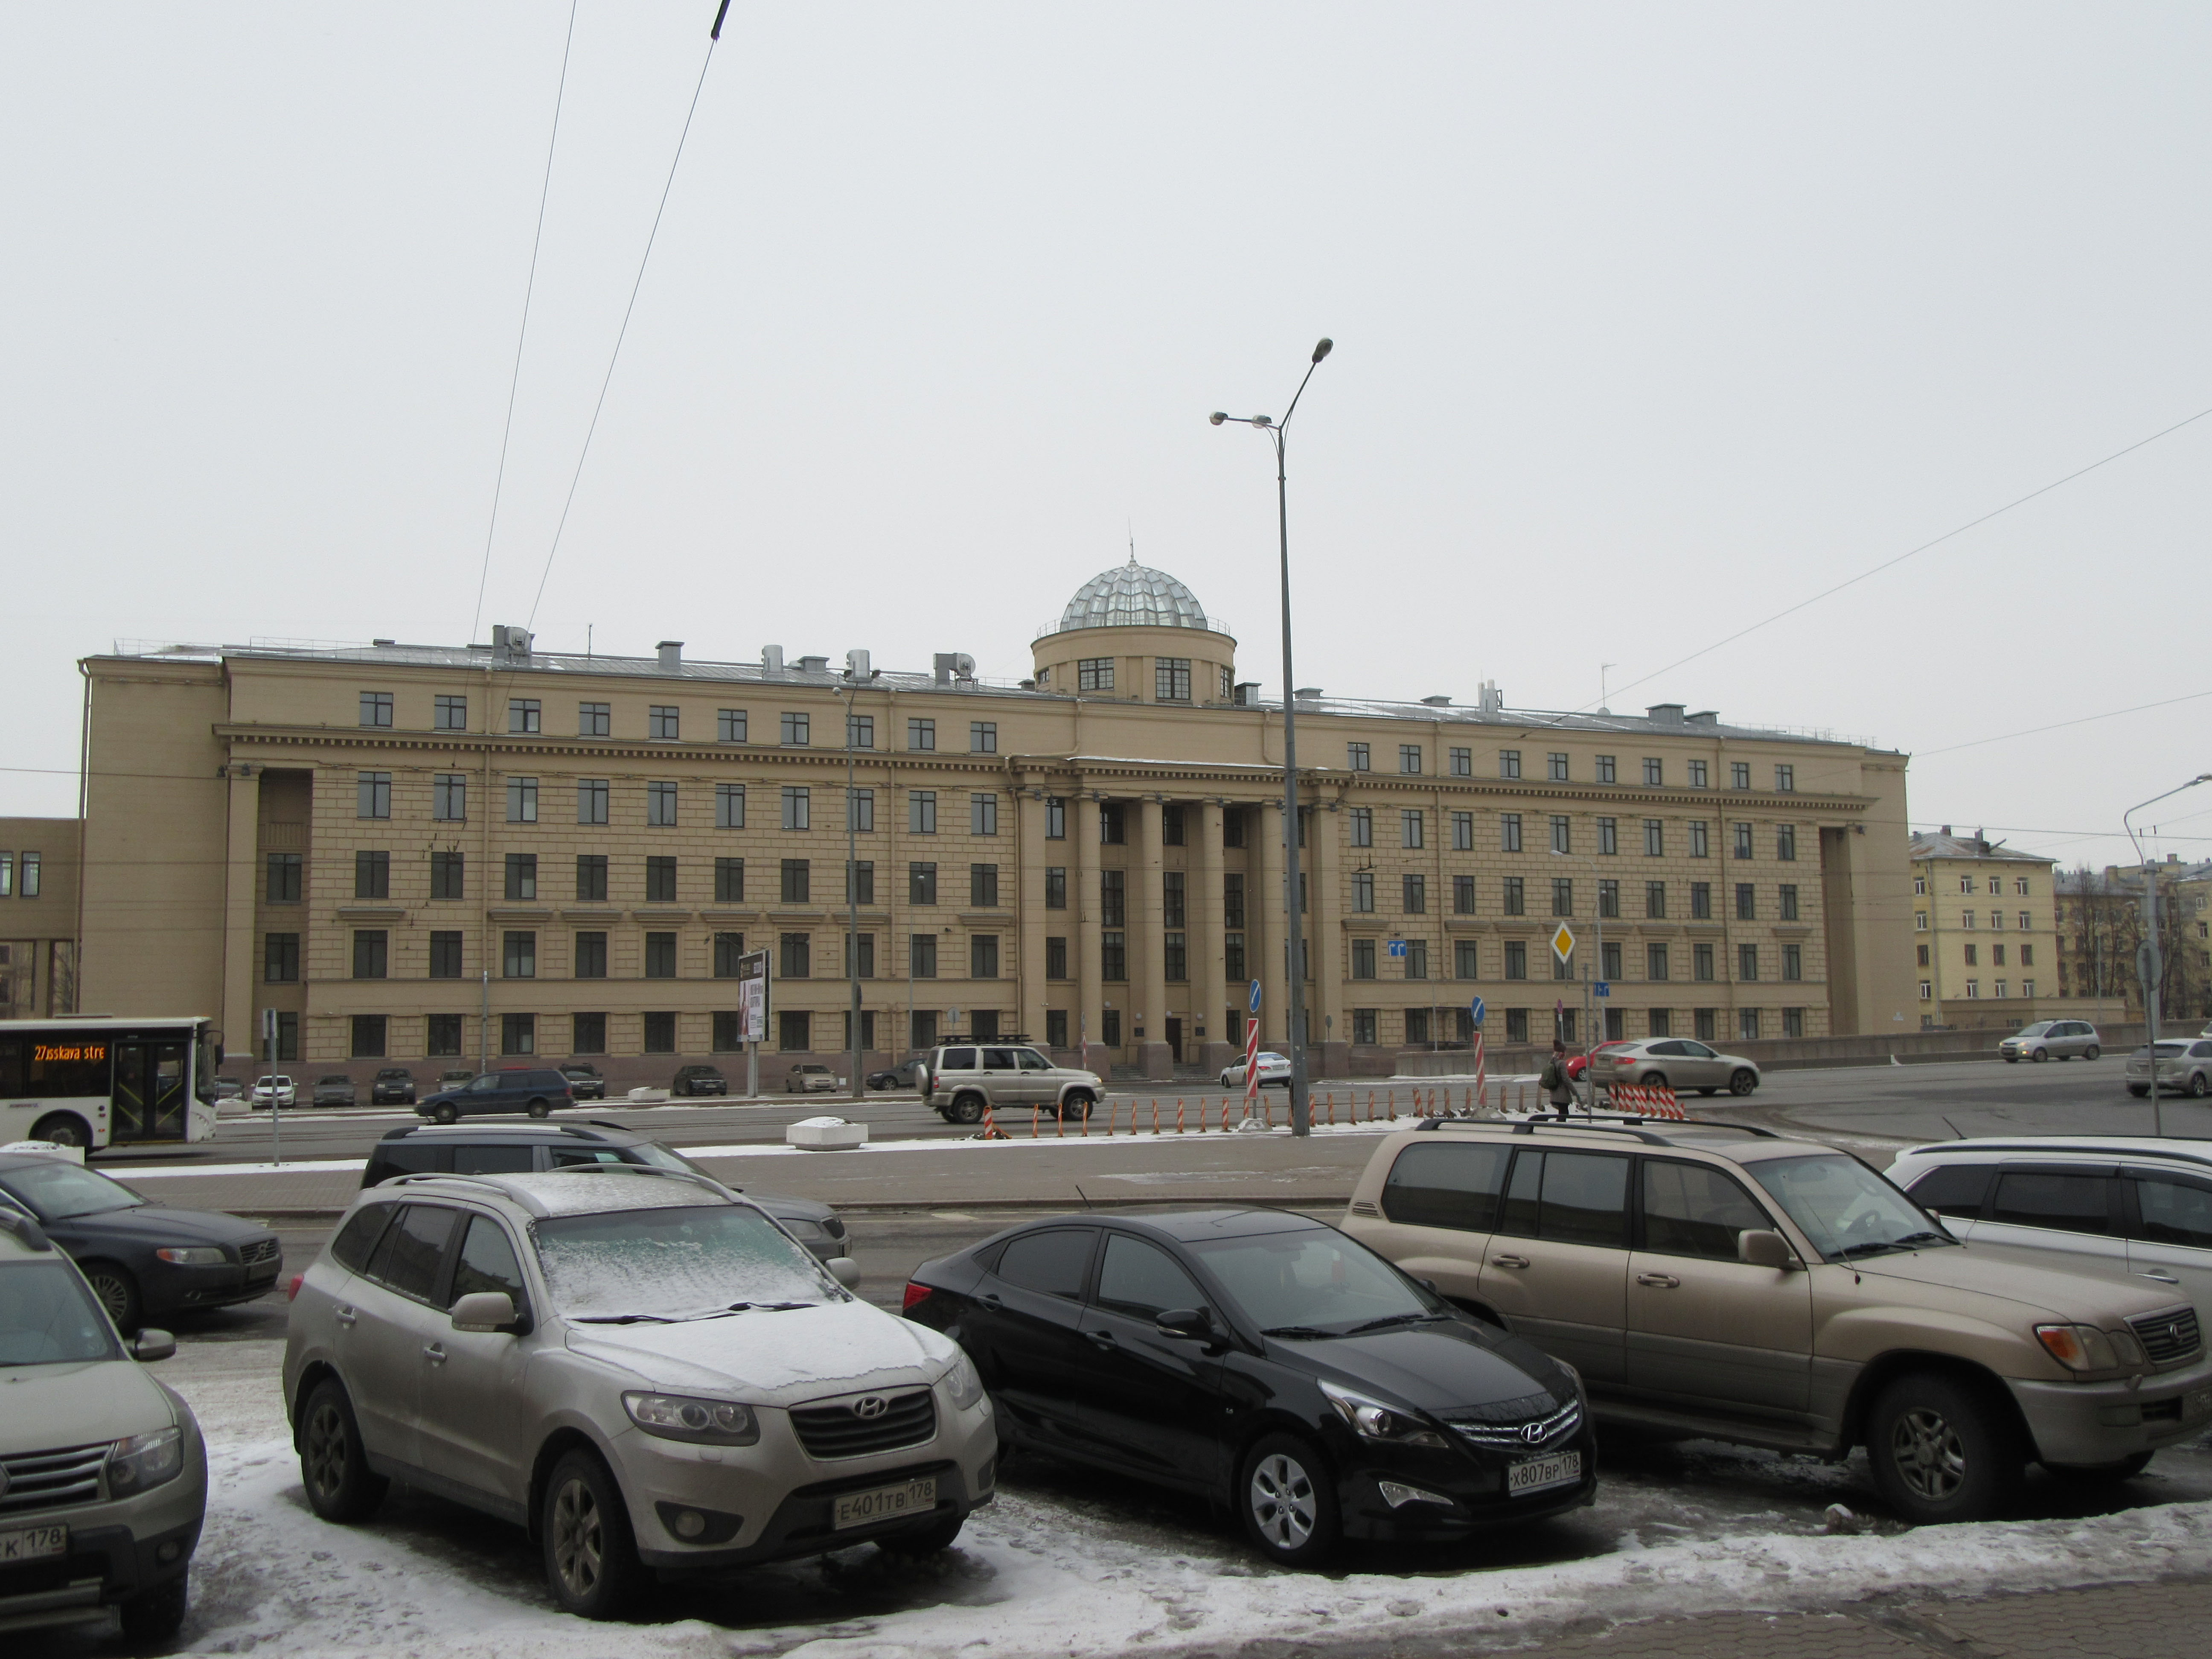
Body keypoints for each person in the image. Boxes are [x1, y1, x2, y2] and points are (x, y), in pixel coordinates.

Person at [1540, 1040, 1573, 1112]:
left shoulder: (1551, 1062)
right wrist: (1575, 1093)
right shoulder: (1561, 1063)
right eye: (1565, 1052)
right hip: (1562, 1096)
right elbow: (1566, 1080)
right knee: (1564, 1114)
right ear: (1562, 1053)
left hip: (1554, 1095)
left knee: (1561, 1115)